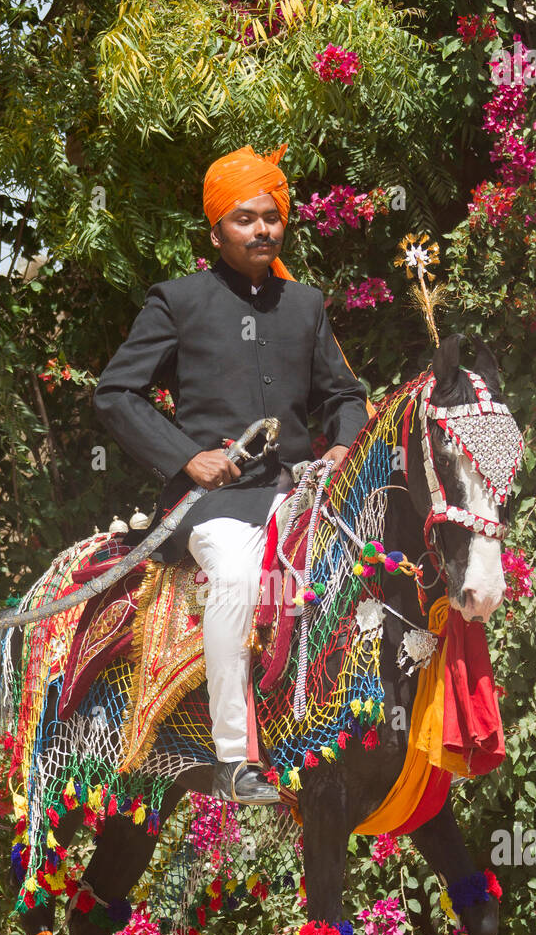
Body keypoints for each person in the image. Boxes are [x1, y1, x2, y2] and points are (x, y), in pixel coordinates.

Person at [93, 143, 368, 802]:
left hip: (300, 496)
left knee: (374, 566)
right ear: (216, 228)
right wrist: (187, 456)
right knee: (243, 579)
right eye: (244, 219)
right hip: (211, 506)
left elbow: (346, 396)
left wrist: (340, 448)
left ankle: (355, 738)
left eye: (271, 218)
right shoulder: (178, 301)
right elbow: (116, 393)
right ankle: (232, 759)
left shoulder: (304, 305)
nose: (261, 230)